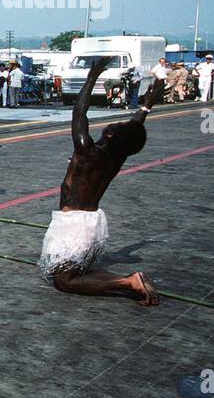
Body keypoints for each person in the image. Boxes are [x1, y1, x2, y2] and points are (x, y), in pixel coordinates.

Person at [38, 57, 162, 305]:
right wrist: (146, 106)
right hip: (91, 222)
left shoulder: (87, 152)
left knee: (65, 281)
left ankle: (129, 281)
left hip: (73, 223)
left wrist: (91, 78)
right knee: (75, 273)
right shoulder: (118, 155)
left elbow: (79, 113)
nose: (115, 122)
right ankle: (127, 280)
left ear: (111, 133)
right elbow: (134, 128)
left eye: (116, 123)